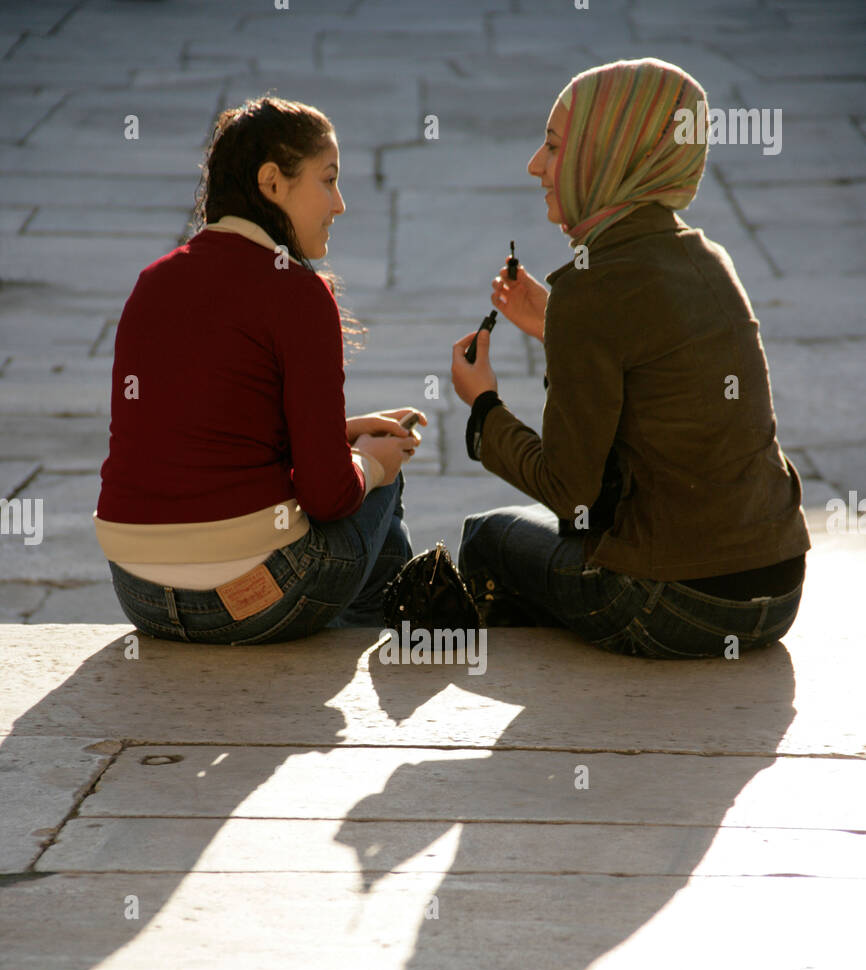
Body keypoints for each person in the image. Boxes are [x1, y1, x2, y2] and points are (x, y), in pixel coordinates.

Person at [450, 58, 811, 659]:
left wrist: (483, 406)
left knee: (487, 538)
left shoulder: (593, 289)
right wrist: (555, 325)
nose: (535, 165)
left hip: (674, 604)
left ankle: (553, 703)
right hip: (778, 591)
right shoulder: (708, 258)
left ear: (608, 154)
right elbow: (660, 371)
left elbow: (572, 494)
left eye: (554, 145)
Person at [94, 96, 425, 644]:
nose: (339, 204)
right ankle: (370, 648)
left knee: (364, 468)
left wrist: (340, 434)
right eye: (328, 179)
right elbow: (327, 495)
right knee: (382, 485)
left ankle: (349, 636)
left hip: (138, 592)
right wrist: (370, 463)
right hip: (252, 597)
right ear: (272, 182)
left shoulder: (152, 281)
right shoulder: (297, 293)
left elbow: (196, 430)